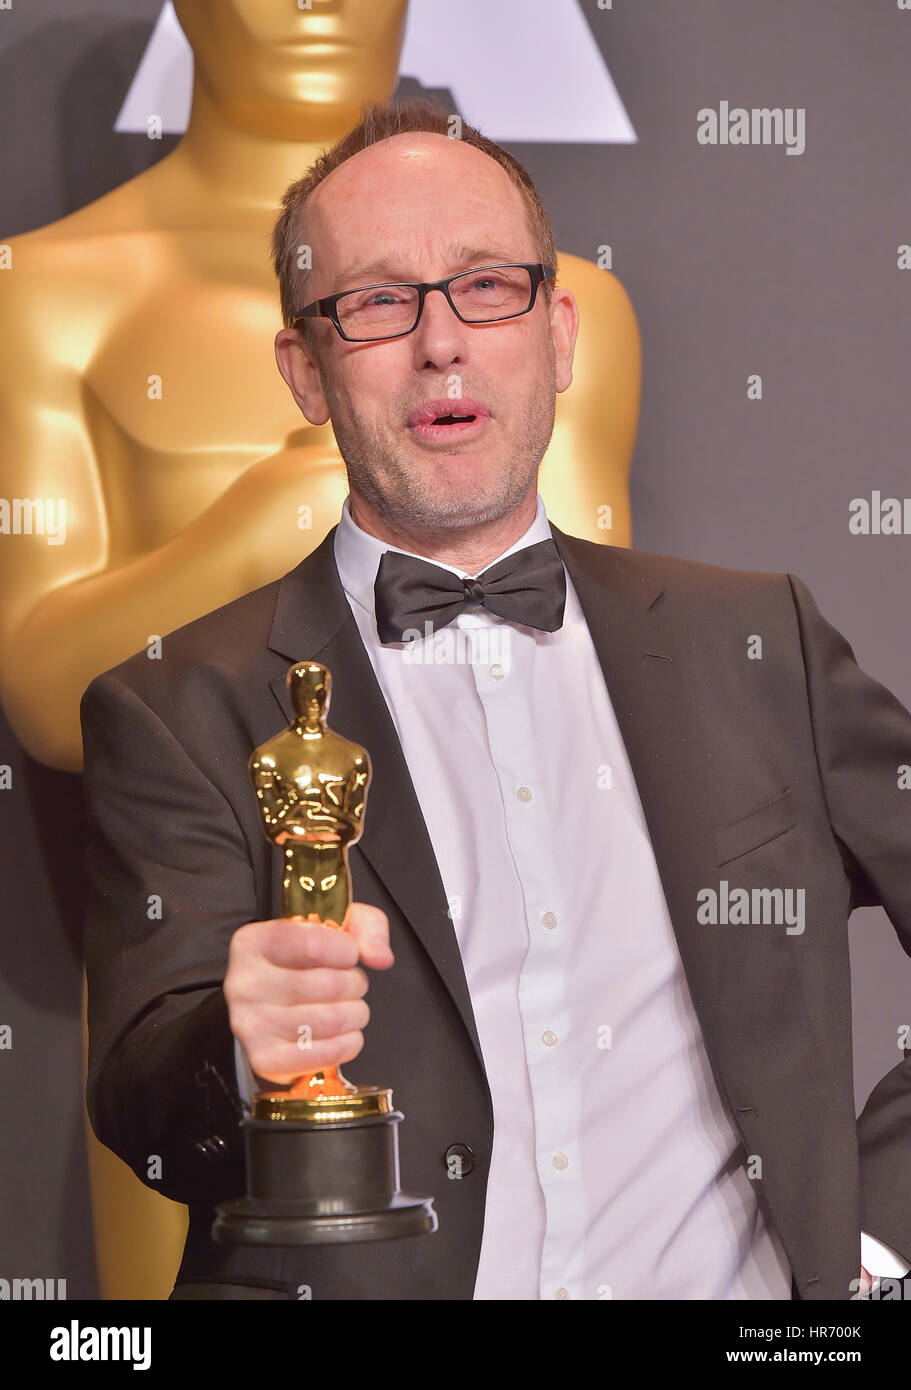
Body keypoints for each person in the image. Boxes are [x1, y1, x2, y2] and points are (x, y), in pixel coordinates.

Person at [82, 98, 911, 1301]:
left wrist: (875, 1245)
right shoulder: (174, 702)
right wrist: (241, 1051)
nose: (440, 344)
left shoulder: (757, 640)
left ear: (557, 334)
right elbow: (142, 1106)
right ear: (305, 373)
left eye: (484, 286)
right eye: (374, 302)